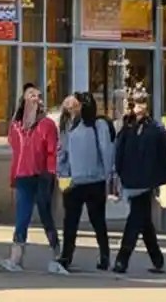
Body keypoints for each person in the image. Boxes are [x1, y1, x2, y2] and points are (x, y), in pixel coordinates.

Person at [0, 83, 62, 273]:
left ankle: (57, 254)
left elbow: (52, 151)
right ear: (24, 100)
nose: (34, 98)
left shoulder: (47, 124)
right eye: (30, 95)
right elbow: (15, 149)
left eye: (37, 95)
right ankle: (16, 257)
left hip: (42, 175)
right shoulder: (16, 126)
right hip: (23, 176)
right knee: (22, 217)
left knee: (46, 215)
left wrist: (51, 174)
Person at [112, 90, 166, 274]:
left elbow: (164, 155)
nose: (138, 107)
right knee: (143, 220)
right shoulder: (127, 128)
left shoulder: (155, 129)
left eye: (142, 103)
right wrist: (119, 176)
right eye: (135, 103)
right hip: (131, 179)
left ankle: (122, 259)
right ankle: (157, 258)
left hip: (146, 181)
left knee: (135, 219)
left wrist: (162, 178)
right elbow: (119, 153)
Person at [55, 91, 116, 272]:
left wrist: (109, 175)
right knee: (70, 221)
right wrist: (61, 173)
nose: (73, 107)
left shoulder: (99, 125)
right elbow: (62, 152)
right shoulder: (68, 125)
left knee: (97, 220)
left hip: (95, 180)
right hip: (74, 181)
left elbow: (106, 151)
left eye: (77, 104)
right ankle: (66, 256)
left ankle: (104, 255)